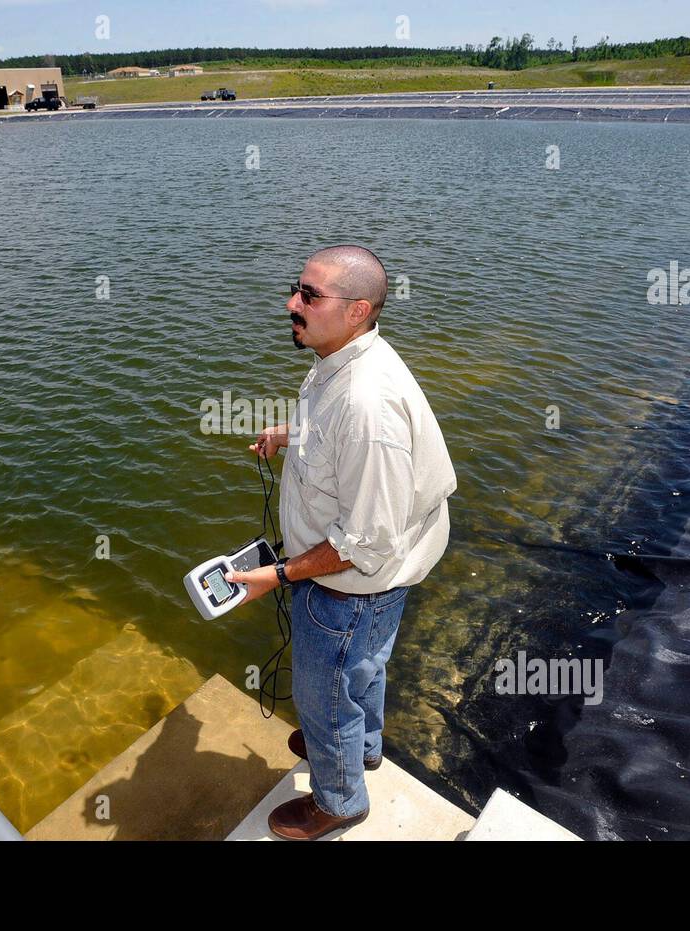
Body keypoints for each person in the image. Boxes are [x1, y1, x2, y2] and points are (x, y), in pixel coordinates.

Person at [225, 245, 457, 840]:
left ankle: (339, 800)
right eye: (296, 288)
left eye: (309, 296)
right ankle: (366, 748)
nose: (291, 304)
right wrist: (290, 432)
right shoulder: (341, 358)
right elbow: (332, 430)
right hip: (377, 577)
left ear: (357, 310)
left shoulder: (367, 405)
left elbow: (366, 543)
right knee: (365, 668)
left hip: (352, 585)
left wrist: (275, 577)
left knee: (323, 690)